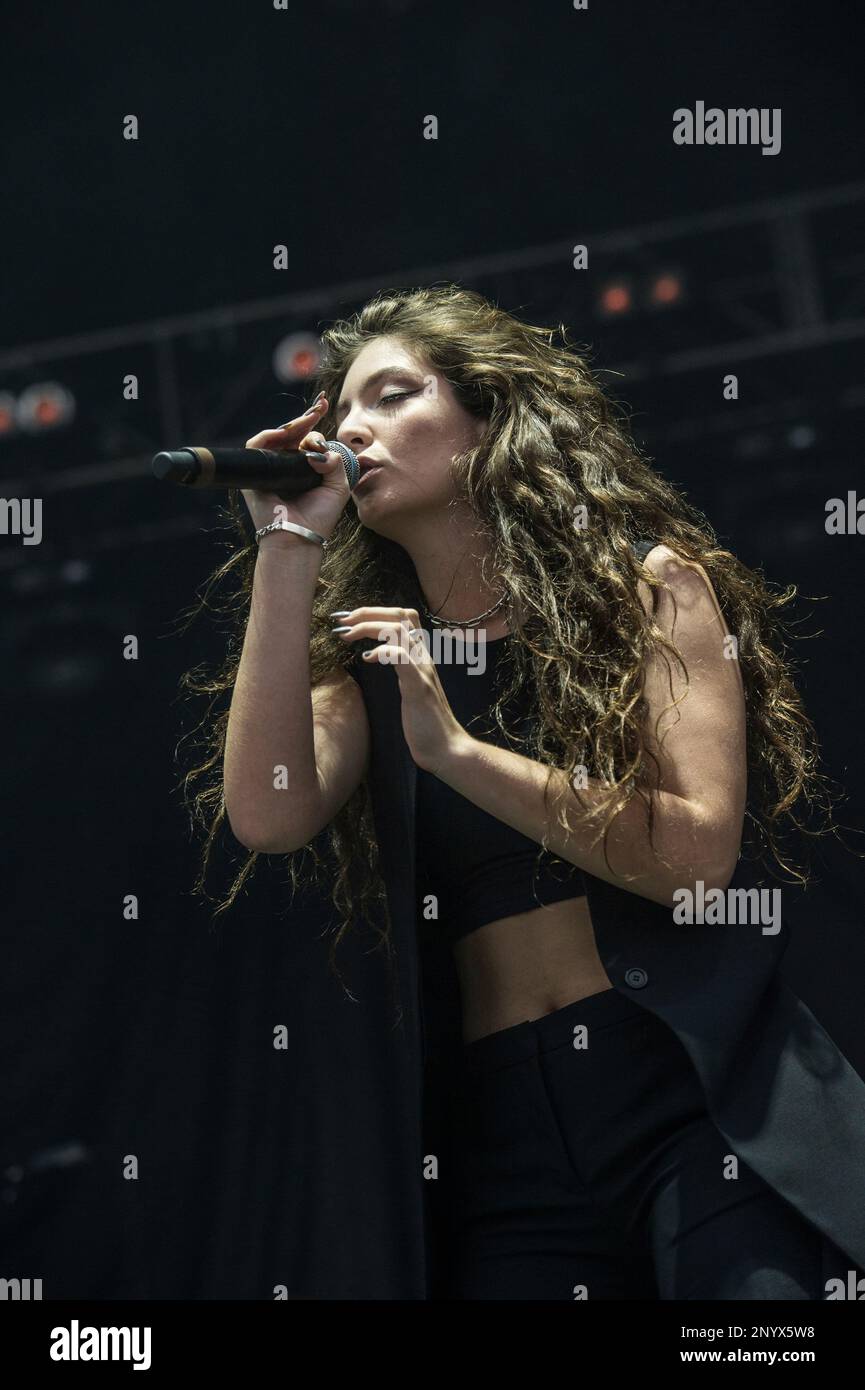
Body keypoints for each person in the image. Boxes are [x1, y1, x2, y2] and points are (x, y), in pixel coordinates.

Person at [183, 283, 865, 1300]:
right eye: (341, 408)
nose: (351, 426)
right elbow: (269, 813)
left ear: (488, 417)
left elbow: (692, 860)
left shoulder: (649, 588)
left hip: (687, 1088)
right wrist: (286, 543)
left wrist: (455, 751)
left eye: (392, 394)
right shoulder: (368, 654)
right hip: (503, 1123)